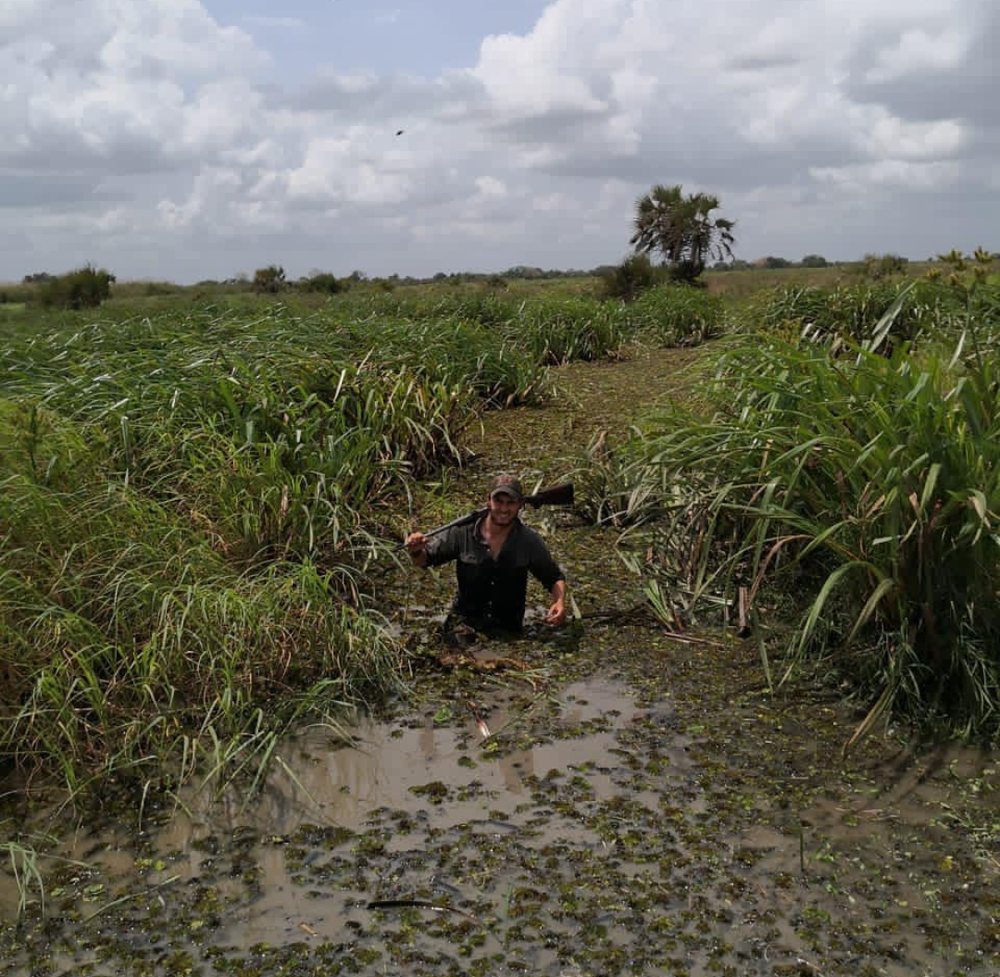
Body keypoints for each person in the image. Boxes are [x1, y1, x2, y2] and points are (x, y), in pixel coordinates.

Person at [405, 474, 566, 640]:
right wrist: (416, 550)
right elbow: (424, 560)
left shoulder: (528, 541)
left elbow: (554, 577)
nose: (504, 509)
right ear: (488, 501)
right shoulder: (462, 532)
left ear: (520, 505)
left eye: (510, 503)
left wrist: (559, 602)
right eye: (499, 501)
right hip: (463, 624)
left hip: (507, 629)